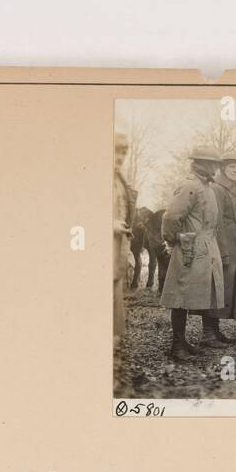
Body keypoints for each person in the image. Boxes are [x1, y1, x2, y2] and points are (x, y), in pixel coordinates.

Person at [160, 145, 225, 361]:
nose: (215, 167)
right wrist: (176, 239)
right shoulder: (190, 186)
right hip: (190, 248)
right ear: (200, 163)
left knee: (192, 295)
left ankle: (183, 341)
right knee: (181, 295)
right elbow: (170, 218)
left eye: (216, 163)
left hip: (206, 246)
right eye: (212, 163)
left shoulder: (207, 187)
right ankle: (176, 345)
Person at [200, 151, 236, 343]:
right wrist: (223, 251)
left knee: (224, 290)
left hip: (234, 246)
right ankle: (207, 333)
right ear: (222, 168)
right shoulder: (218, 189)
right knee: (215, 288)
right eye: (231, 167)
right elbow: (216, 221)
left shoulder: (233, 190)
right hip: (221, 246)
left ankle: (215, 330)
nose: (235, 170)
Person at [113, 132, 134, 354]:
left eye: (123, 152)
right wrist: (111, 224)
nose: (120, 157)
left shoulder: (119, 179)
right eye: (116, 151)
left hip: (117, 246)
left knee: (115, 292)